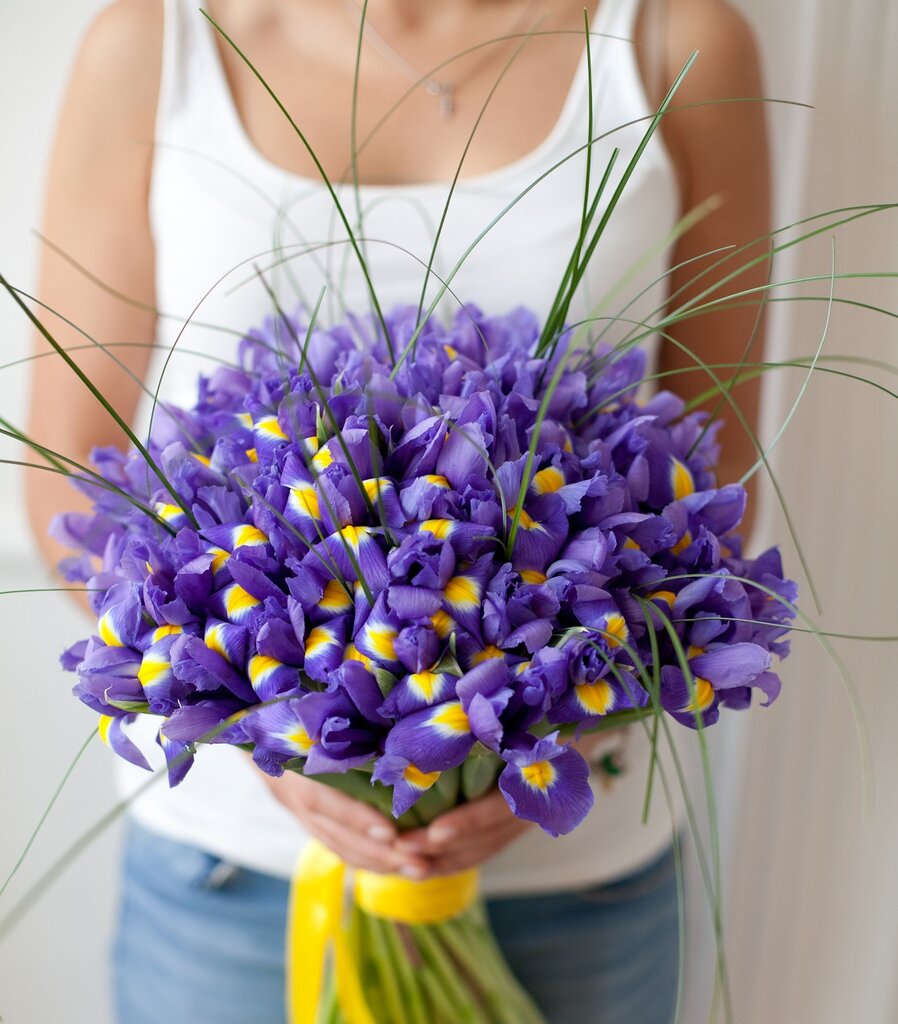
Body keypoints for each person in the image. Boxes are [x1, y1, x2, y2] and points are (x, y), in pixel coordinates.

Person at [26, 0, 769, 1021]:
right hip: (236, 876)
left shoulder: (674, 41)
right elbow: (72, 478)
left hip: (576, 879)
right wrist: (272, 736)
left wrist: (543, 737)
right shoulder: (155, 44)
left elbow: (714, 476)